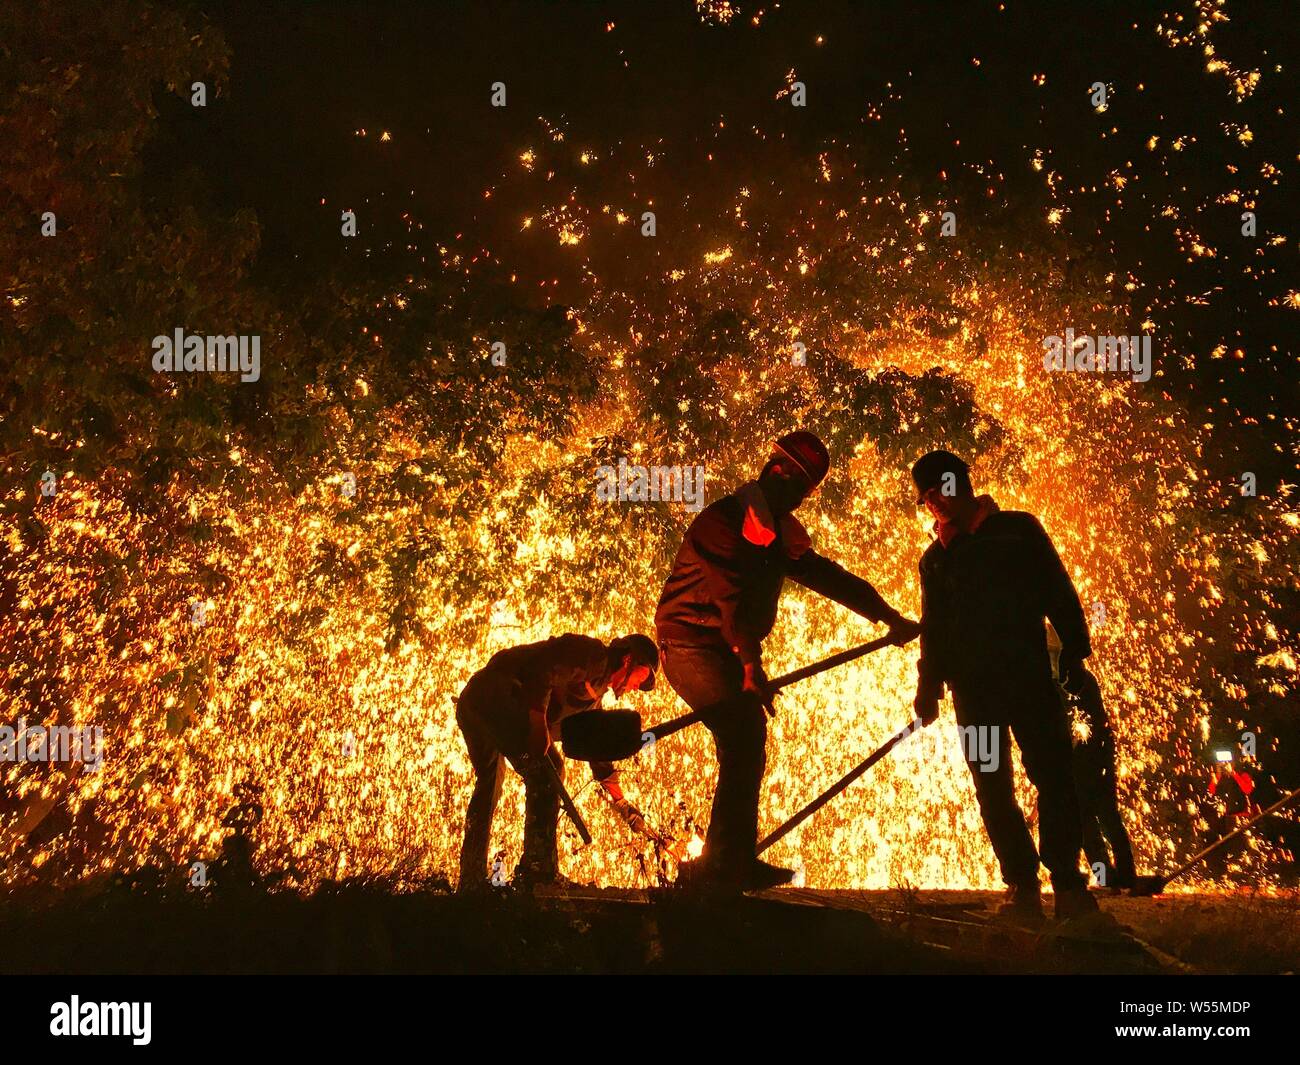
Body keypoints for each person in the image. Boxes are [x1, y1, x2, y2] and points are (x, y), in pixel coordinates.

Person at [655, 430, 921, 892]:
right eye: (798, 489)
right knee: (743, 732)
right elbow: (729, 603)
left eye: (806, 493)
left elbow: (826, 577)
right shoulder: (721, 523)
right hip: (689, 646)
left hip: (727, 648)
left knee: (745, 739)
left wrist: (888, 617)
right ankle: (723, 865)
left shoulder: (773, 532)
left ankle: (730, 860)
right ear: (776, 472)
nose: (801, 500)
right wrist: (749, 666)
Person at [910, 449, 1100, 921]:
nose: (931, 503)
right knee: (992, 786)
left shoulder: (1019, 530)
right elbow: (934, 628)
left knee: (1052, 774)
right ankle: (1022, 886)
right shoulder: (935, 558)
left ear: (958, 485)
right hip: (973, 694)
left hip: (1028, 680)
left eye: (936, 492)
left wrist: (1076, 651)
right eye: (926, 498)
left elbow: (1057, 589)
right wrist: (928, 687)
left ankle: (1069, 886)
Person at [456, 632, 658, 892]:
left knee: (489, 784)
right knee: (548, 773)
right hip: (495, 696)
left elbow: (598, 758)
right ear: (628, 660)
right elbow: (542, 669)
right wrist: (538, 722)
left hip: (475, 700)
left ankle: (471, 879)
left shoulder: (593, 699)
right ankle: (539, 871)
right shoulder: (593, 656)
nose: (635, 688)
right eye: (640, 678)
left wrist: (622, 804)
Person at [1048, 627, 1137, 890]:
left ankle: (1109, 876)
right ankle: (1122, 874)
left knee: (1089, 820)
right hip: (1098, 753)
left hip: (1085, 756)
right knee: (1105, 815)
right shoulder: (1084, 677)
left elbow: (1071, 724)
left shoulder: (1065, 682)